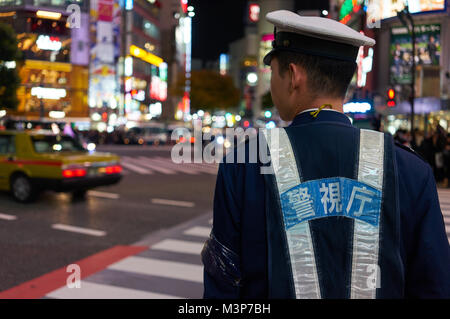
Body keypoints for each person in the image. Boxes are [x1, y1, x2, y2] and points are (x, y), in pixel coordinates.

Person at [201, 10, 450, 299]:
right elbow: (435, 286)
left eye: (273, 72)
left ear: (293, 75)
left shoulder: (244, 164)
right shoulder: (410, 169)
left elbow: (223, 283)